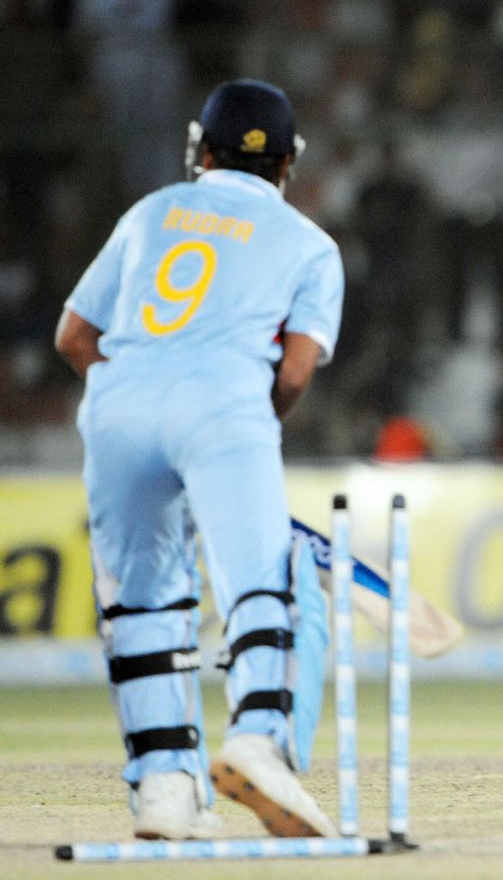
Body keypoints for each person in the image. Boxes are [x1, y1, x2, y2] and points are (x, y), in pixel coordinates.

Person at [54, 79, 344, 839]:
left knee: (142, 604)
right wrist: (229, 439)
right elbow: (294, 373)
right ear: (288, 164)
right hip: (226, 405)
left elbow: (73, 337)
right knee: (267, 583)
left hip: (118, 406)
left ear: (202, 151)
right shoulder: (310, 244)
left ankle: (165, 791)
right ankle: (260, 742)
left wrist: (142, 401)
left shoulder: (149, 213)